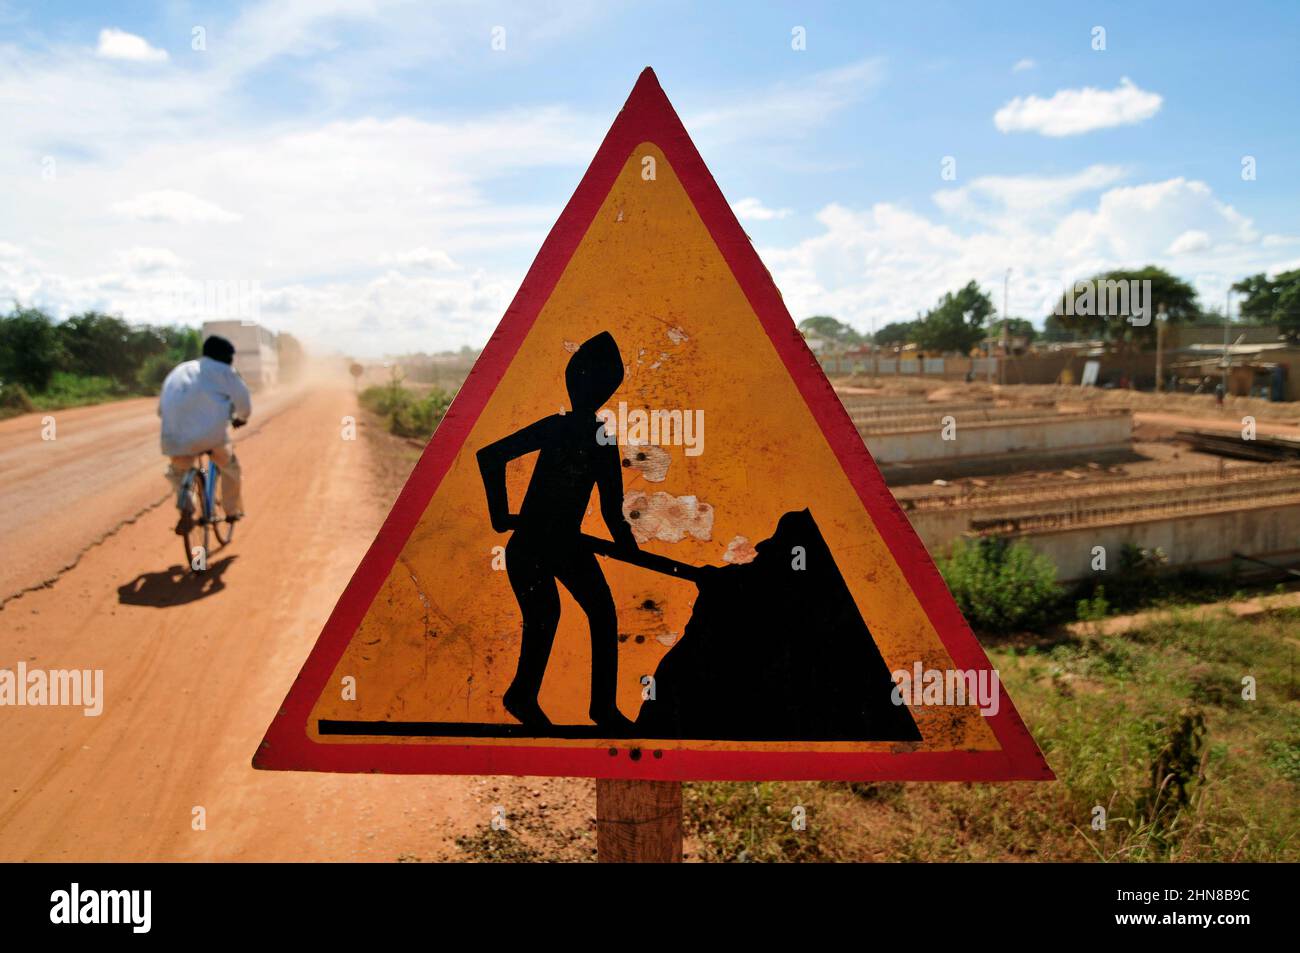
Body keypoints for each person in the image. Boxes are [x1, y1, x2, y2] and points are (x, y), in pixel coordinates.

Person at [476, 331, 638, 733]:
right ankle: (524, 696)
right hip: (531, 546)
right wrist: (502, 517)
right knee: (547, 615)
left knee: (601, 615)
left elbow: (610, 508)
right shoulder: (560, 428)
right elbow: (489, 456)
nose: (591, 390)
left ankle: (602, 708)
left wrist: (629, 548)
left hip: (566, 544)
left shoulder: (601, 438)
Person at [158, 335, 251, 531]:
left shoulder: (180, 370)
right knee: (229, 467)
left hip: (174, 437)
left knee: (177, 472)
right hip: (211, 436)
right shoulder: (225, 371)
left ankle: (187, 505)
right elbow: (244, 403)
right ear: (226, 356)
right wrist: (241, 418)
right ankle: (232, 511)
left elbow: (160, 410)